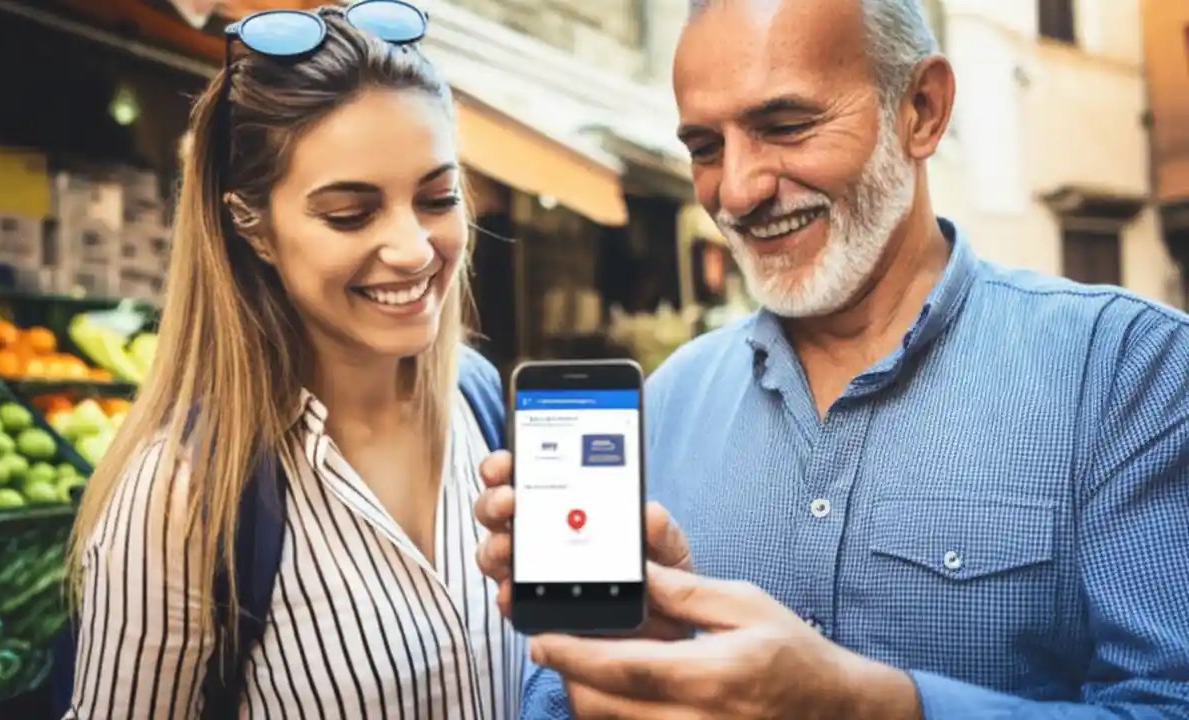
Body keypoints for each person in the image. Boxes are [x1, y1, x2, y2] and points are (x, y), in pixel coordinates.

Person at [474, 0, 1189, 717]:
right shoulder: (669, 402)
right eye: (705, 148)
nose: (738, 190)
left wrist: (866, 706)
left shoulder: (1126, 371)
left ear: (922, 110)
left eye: (785, 126)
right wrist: (630, 663)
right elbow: (553, 698)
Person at [62, 5, 523, 718]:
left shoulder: (481, 400)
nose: (413, 249)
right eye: (350, 214)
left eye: (438, 198)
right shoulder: (183, 497)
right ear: (253, 227)